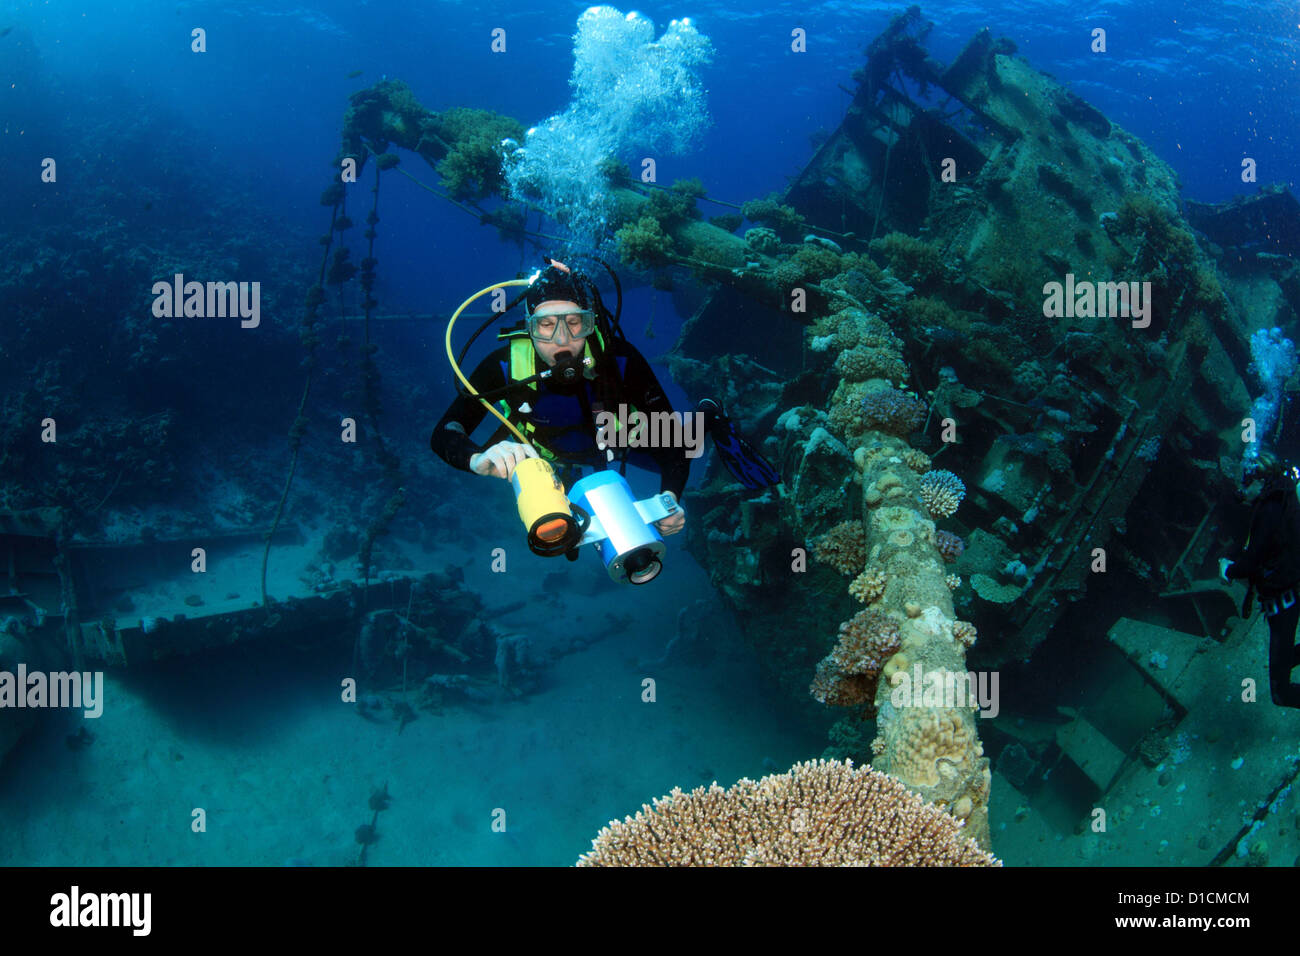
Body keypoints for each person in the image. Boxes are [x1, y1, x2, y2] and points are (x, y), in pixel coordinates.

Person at [430, 260, 687, 536]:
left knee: (692, 439)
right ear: (529, 329)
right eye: (546, 325)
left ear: (591, 323)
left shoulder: (619, 360)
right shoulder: (505, 367)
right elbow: (445, 433)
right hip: (548, 457)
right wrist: (476, 458)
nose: (562, 339)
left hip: (619, 445)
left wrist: (670, 498)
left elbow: (674, 442)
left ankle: (712, 416)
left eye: (575, 322)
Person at [1219, 451, 1300, 707]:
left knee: (1280, 693)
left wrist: (1228, 570)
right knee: (1285, 659)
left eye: (1245, 483)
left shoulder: (1268, 510)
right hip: (1293, 590)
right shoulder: (1283, 496)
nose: (1241, 491)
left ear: (1261, 481)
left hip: (1283, 602)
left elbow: (1250, 562)